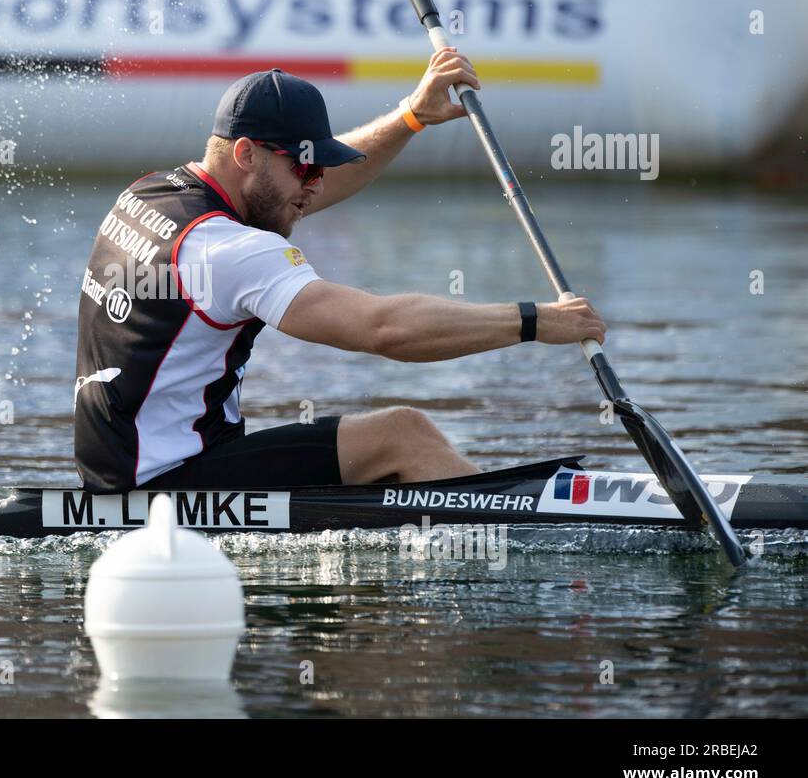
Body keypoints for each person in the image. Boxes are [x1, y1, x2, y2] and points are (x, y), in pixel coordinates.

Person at [73, 51, 606, 492]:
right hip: (168, 485)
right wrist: (536, 321)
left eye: (322, 170)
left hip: (116, 468)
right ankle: (512, 539)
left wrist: (411, 117)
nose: (317, 187)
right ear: (246, 155)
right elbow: (384, 329)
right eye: (304, 168)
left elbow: (295, 199)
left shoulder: (149, 193)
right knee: (404, 437)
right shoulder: (230, 250)